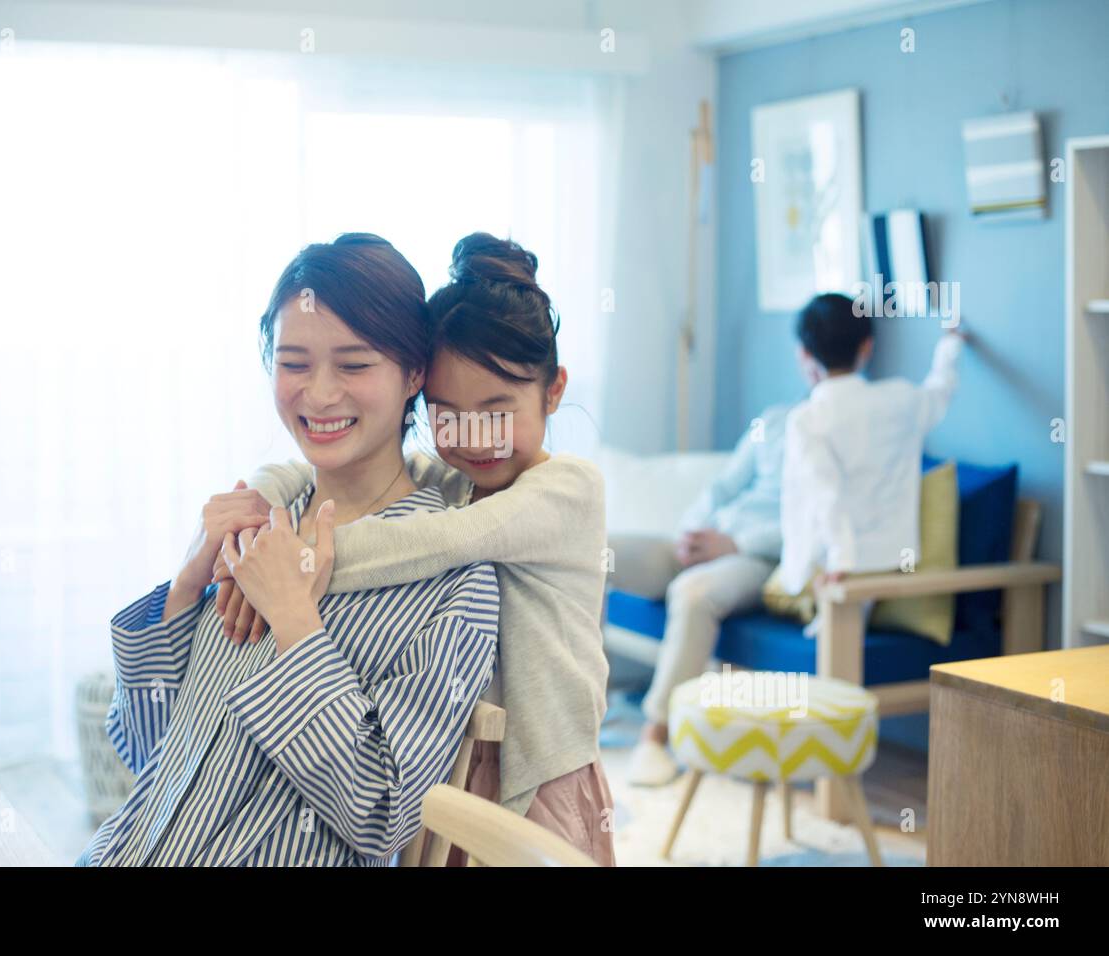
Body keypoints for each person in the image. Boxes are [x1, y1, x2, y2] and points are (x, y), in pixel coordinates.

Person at [77, 234, 498, 866]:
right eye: (295, 363)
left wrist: (297, 624)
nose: (321, 394)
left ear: (414, 372)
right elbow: (145, 751)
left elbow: (381, 814)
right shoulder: (255, 532)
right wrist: (186, 587)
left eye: (354, 365)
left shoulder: (456, 578)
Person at [220, 234, 616, 864]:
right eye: (446, 413)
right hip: (468, 760)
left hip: (547, 767)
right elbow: (323, 474)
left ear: (554, 390)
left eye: (498, 408)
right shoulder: (460, 478)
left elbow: (438, 539)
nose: (473, 436)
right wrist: (257, 499)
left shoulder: (566, 488)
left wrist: (286, 565)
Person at [613, 403, 792, 786]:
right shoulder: (775, 421)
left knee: (691, 594)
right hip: (703, 544)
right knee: (597, 553)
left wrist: (735, 544)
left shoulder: (845, 435)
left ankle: (655, 737)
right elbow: (723, 486)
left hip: (757, 560)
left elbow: (814, 525)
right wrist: (691, 535)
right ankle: (577, 710)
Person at [778, 292, 965, 595]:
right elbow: (939, 392)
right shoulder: (901, 398)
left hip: (839, 567)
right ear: (867, 346)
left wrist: (841, 559)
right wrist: (950, 344)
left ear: (804, 355)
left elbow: (826, 491)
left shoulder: (807, 419)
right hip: (893, 561)